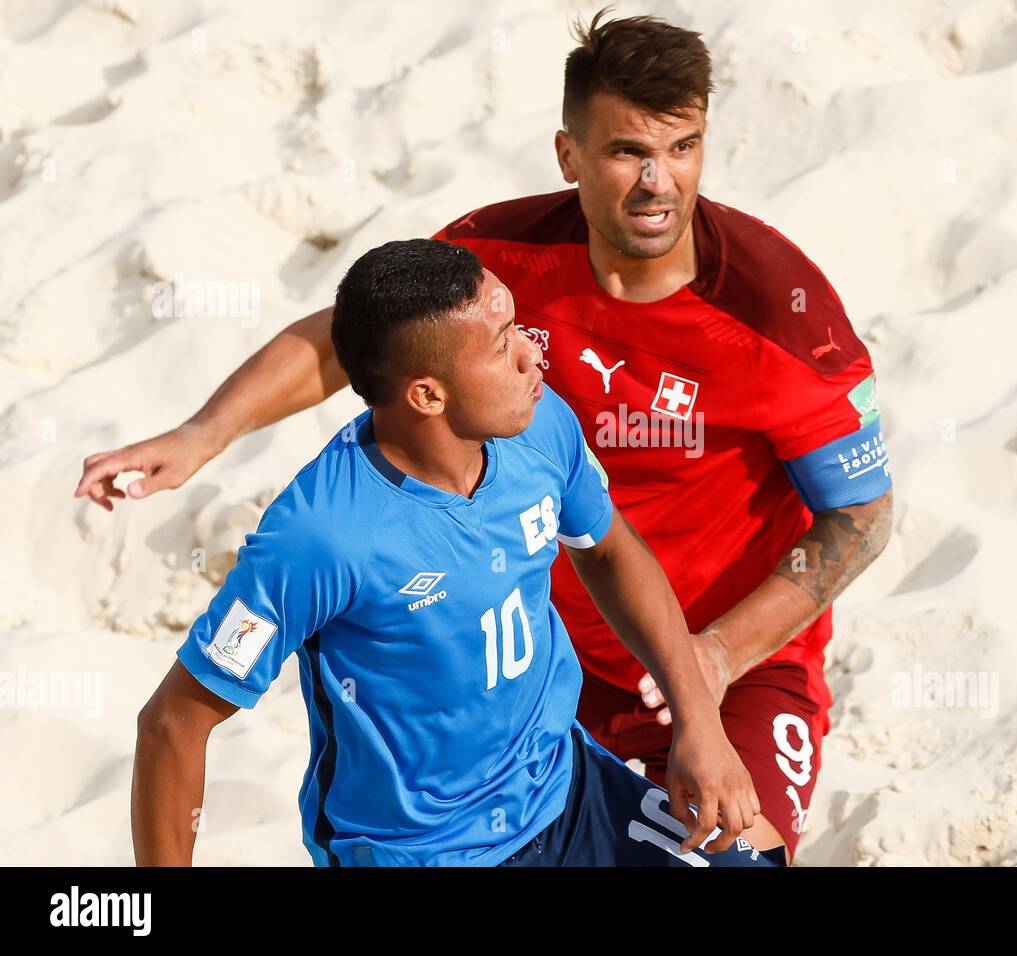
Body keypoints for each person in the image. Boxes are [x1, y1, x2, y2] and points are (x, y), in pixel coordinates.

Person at [85, 10, 893, 862]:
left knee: (750, 850)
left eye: (683, 146)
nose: (660, 181)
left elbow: (864, 516)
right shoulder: (495, 270)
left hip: (730, 664)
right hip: (540, 670)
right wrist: (202, 435)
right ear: (569, 155)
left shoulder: (780, 313)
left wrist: (712, 662)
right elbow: (360, 335)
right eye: (627, 151)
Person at [132, 239, 780, 867]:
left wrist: (700, 724)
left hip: (564, 786)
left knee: (764, 855)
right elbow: (172, 723)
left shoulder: (540, 422)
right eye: (503, 347)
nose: (534, 356)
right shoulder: (319, 538)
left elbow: (608, 550)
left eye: (520, 329)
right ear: (427, 395)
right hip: (423, 850)